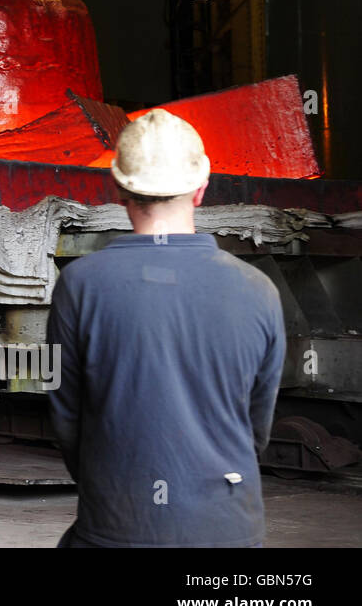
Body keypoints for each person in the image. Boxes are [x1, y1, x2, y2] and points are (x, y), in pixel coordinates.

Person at [46, 108, 285, 547]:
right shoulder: (259, 290)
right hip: (228, 527)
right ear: (201, 189)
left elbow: (66, 420)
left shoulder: (79, 286)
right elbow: (257, 429)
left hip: (116, 523)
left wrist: (111, 490)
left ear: (119, 189)